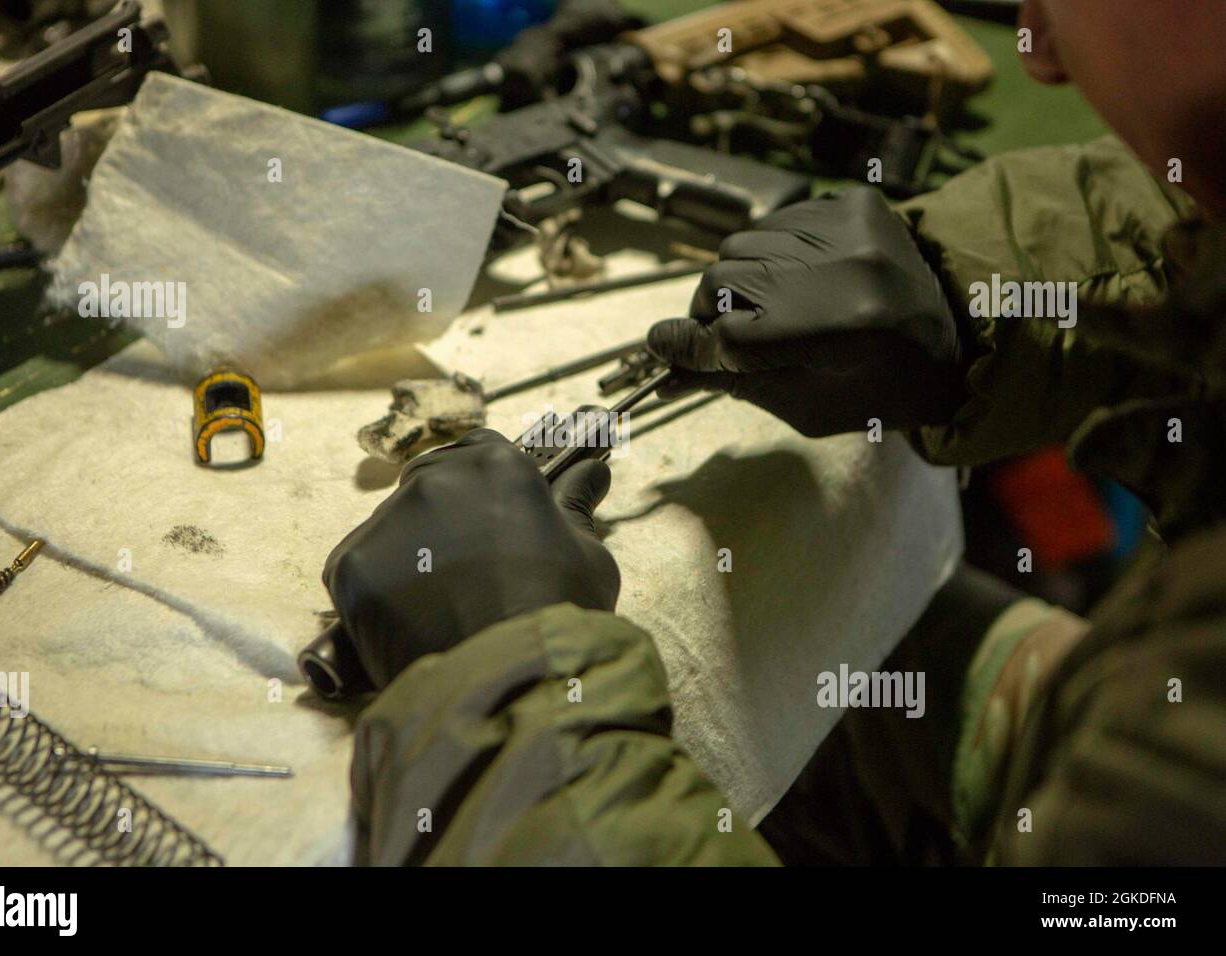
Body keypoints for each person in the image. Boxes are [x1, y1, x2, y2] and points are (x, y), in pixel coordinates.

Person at [324, 0, 1226, 865]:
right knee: (800, 636)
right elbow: (1191, 216)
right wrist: (966, 285)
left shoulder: (1185, 744)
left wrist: (506, 686)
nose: (1034, 50)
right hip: (1102, 711)